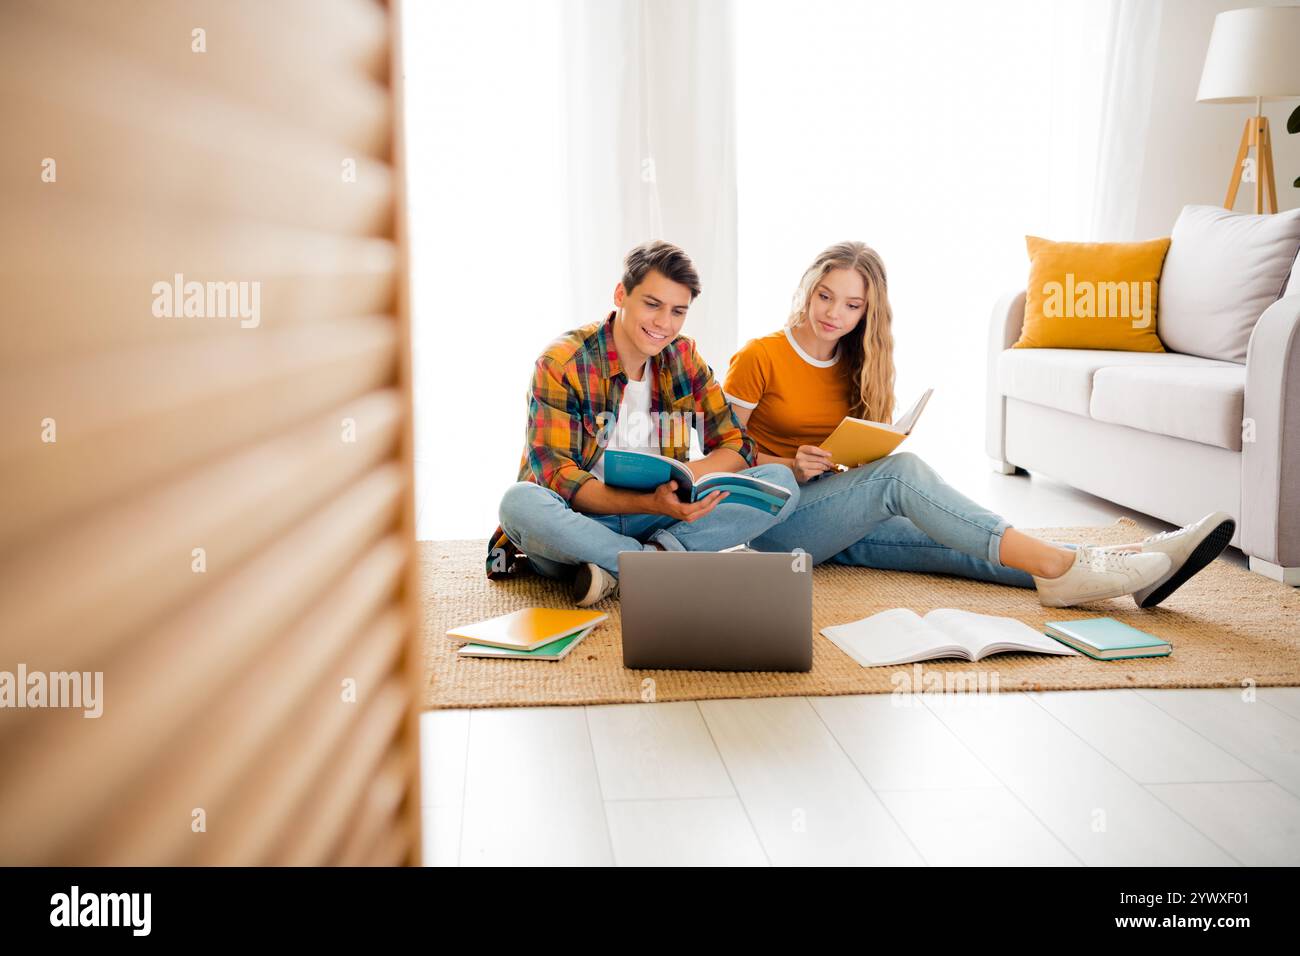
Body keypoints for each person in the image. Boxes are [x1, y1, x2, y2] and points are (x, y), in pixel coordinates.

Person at [722, 241, 1234, 608]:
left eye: (852, 305)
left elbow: (860, 461)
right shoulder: (760, 356)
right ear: (809, 290)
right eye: (826, 296)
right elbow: (720, 452)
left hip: (839, 523)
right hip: (776, 525)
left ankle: (1136, 564)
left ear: (868, 312)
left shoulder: (861, 363)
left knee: (964, 543)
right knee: (903, 474)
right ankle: (1077, 567)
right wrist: (789, 462)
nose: (834, 313)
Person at [489, 240, 800, 606]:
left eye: (677, 311)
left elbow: (737, 445)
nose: (664, 324)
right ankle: (654, 563)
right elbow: (557, 476)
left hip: (662, 519)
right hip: (583, 521)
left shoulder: (683, 356)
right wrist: (650, 502)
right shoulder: (562, 363)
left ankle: (619, 565)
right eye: (652, 305)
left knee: (781, 484)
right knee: (519, 502)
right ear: (621, 294)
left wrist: (683, 480)